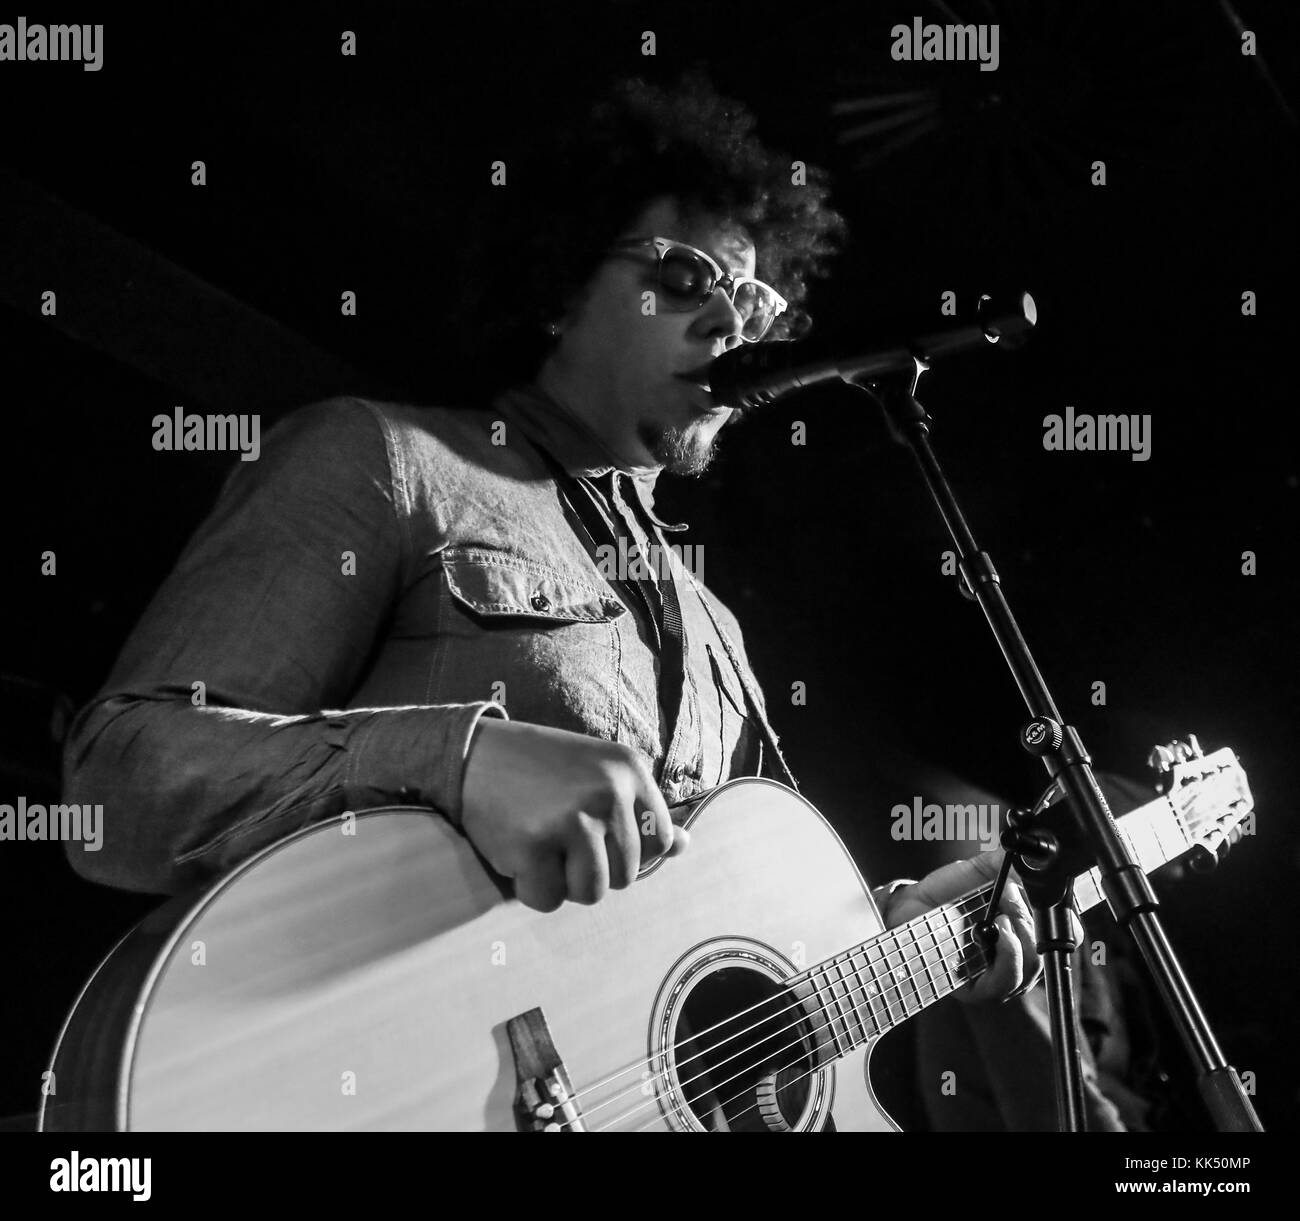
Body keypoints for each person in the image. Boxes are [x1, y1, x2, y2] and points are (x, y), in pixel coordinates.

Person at [61, 70, 1041, 1101]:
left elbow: (704, 940)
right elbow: (117, 786)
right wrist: (460, 756)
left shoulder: (718, 633)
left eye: (750, 299)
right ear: (563, 284)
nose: (727, 324)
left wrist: (882, 928)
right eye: (683, 273)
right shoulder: (386, 460)